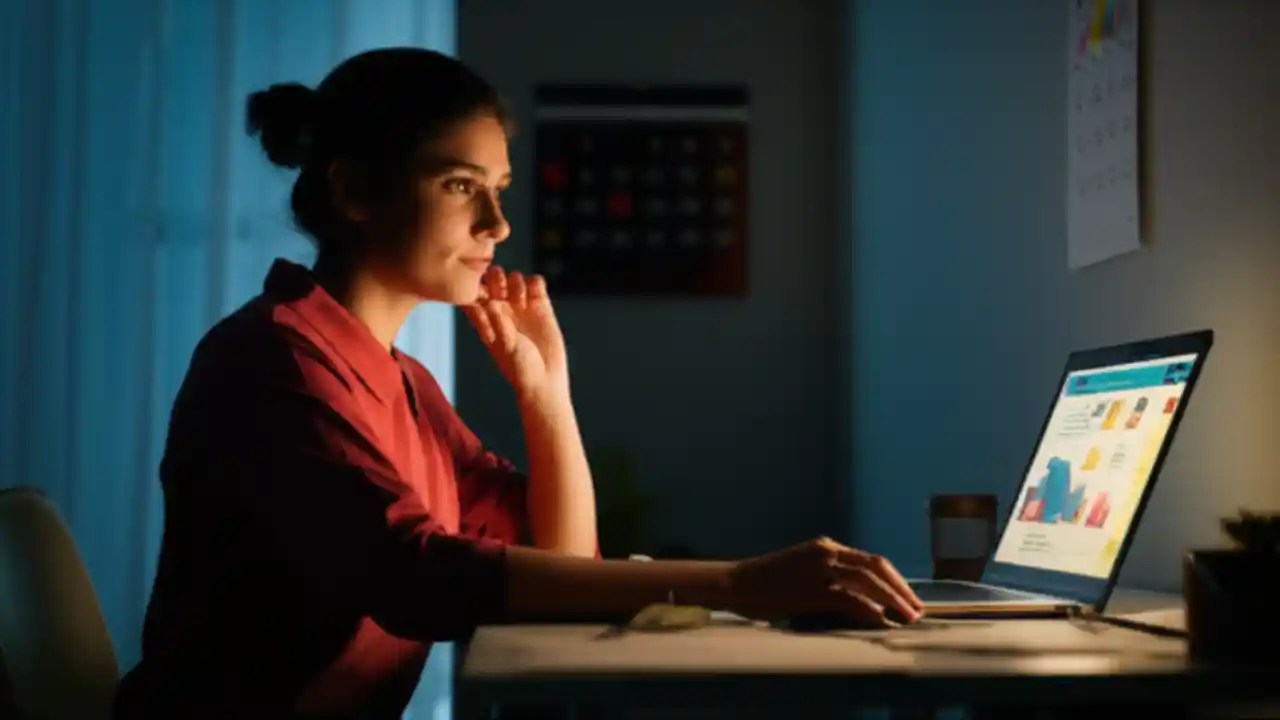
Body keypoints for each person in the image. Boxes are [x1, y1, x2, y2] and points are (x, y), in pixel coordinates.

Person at [112, 47, 923, 719]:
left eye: (497, 192)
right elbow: (415, 578)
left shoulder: (400, 379)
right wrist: (742, 584)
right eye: (462, 187)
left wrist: (547, 395)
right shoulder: (274, 362)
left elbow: (562, 556)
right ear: (354, 189)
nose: (497, 227)